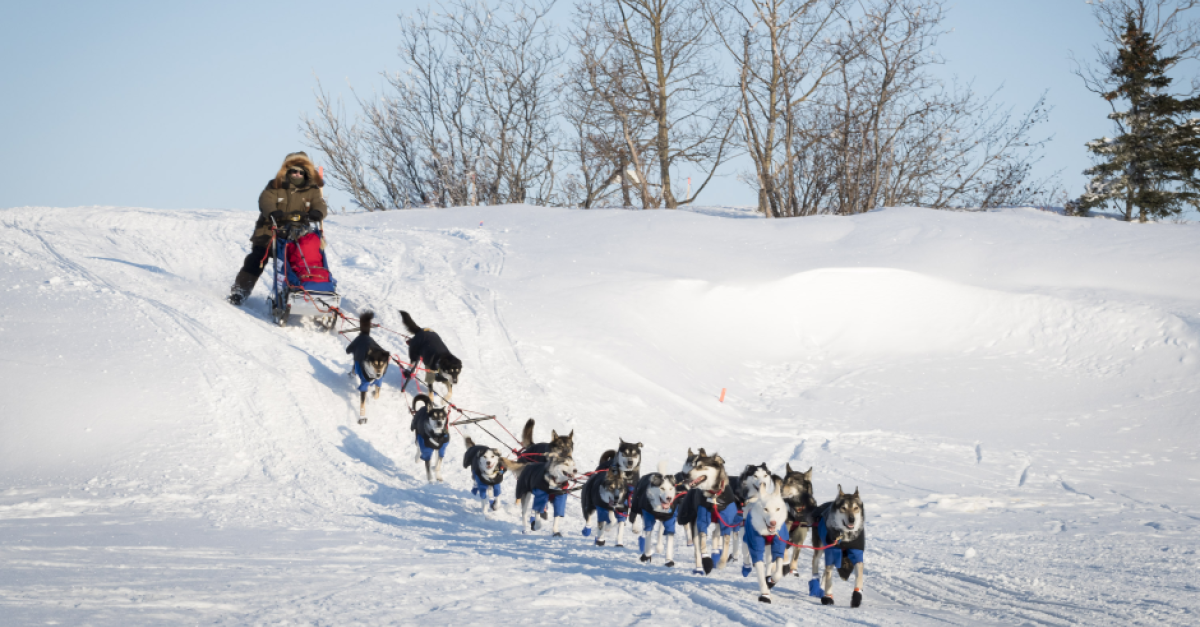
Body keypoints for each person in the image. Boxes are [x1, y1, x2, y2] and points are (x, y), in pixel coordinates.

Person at [228, 152, 328, 305]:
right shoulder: (275, 185)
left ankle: (309, 289)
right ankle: (240, 290)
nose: (297, 174)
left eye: (301, 171)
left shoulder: (312, 189)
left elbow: (319, 204)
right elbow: (265, 200)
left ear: (306, 172)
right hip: (270, 230)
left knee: (304, 258)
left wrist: (317, 213)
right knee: (258, 258)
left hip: (298, 233)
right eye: (294, 170)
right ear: (287, 170)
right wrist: (272, 211)